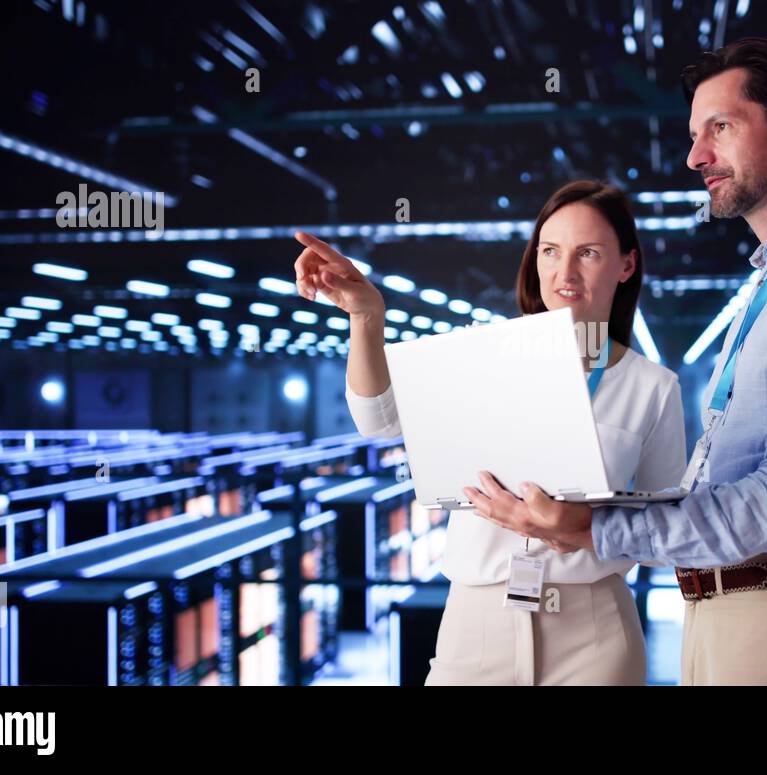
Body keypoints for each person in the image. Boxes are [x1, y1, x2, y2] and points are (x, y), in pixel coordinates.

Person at [467, 38, 767, 686]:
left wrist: (596, 528)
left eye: (720, 128)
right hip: (734, 611)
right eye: (693, 134)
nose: (695, 155)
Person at [292, 180, 687, 685]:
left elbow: (663, 543)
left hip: (592, 632)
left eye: (587, 253)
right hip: (478, 623)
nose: (564, 272)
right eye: (550, 251)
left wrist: (585, 528)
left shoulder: (652, 388)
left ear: (626, 265)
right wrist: (367, 317)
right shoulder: (480, 359)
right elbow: (378, 422)